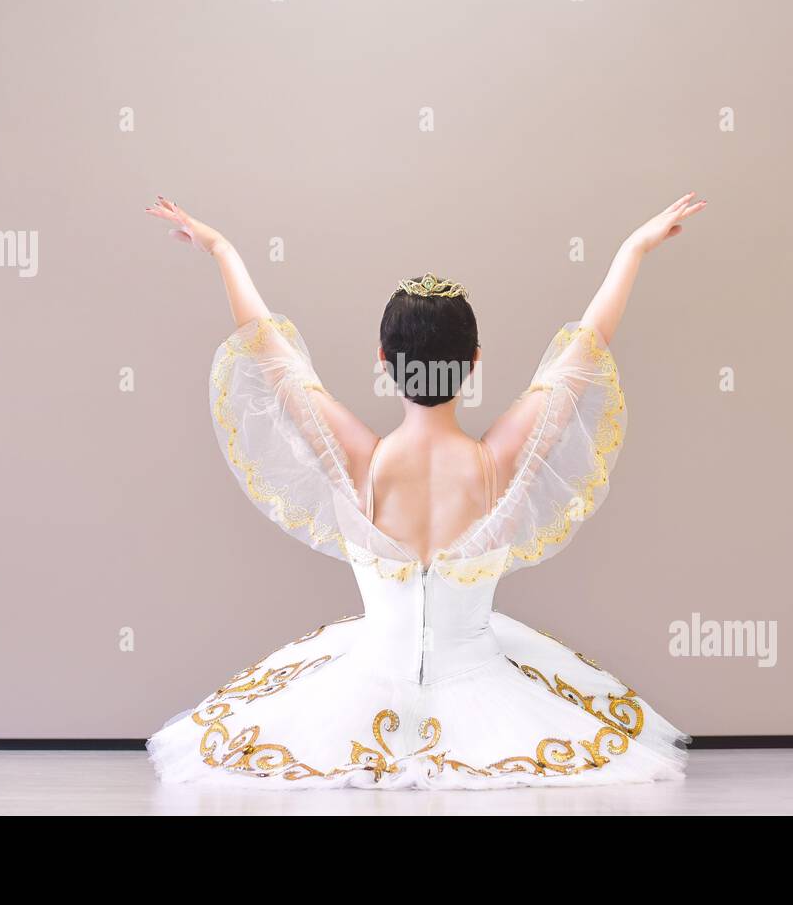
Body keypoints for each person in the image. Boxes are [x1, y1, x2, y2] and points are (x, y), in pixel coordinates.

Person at [142, 191, 706, 789]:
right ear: (474, 361)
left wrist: (223, 251)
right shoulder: (496, 464)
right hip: (488, 693)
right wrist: (631, 251)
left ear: (384, 362)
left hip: (362, 691)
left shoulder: (361, 462)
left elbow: (271, 354)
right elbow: (582, 354)